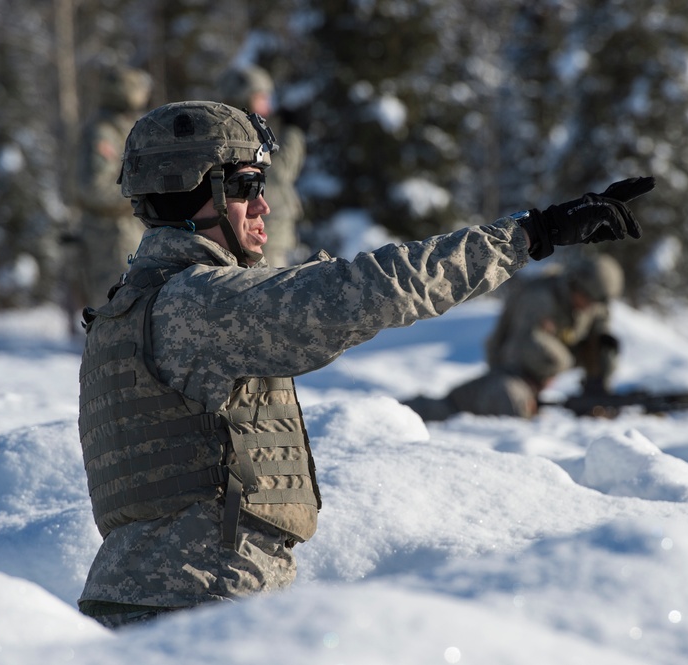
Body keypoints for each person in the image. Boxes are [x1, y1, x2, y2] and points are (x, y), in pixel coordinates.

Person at [75, 100, 653, 628]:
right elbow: (374, 288)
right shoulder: (199, 304)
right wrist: (533, 234)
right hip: (200, 604)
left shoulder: (130, 308)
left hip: (147, 601)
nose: (264, 205)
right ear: (188, 190)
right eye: (247, 185)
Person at [403, 254, 625, 419]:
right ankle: (395, 413)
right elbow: (526, 347)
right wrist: (569, 360)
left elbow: (600, 331)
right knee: (457, 407)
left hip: (539, 384)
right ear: (577, 285)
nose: (589, 307)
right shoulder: (539, 298)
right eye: (588, 299)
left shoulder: (593, 303)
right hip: (510, 375)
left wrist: (600, 377)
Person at [74, 64, 153, 305]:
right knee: (117, 305)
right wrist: (146, 194)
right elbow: (95, 187)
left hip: (127, 232)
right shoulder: (104, 132)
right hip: (111, 237)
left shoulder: (122, 126)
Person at [215, 64, 305, 267]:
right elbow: (280, 170)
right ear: (243, 98)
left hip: (266, 232)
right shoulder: (240, 138)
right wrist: (294, 134)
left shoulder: (244, 133)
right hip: (259, 235)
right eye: (261, 98)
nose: (268, 108)